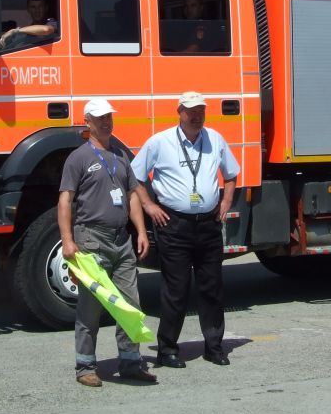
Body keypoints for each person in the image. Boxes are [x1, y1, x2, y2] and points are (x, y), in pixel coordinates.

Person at [131, 91, 239, 367]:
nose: (197, 115)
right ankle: (167, 349)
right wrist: (149, 206)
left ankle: (214, 347)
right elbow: (136, 176)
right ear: (179, 111)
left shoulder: (214, 139)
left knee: (212, 288)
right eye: (191, 110)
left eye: (201, 110)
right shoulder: (161, 142)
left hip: (208, 225)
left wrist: (226, 200)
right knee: (175, 290)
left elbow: (231, 174)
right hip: (174, 225)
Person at [58, 98, 156, 387]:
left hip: (121, 238)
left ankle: (129, 361)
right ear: (87, 121)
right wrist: (68, 241)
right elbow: (65, 200)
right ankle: (85, 366)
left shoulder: (121, 157)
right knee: (91, 306)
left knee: (129, 302)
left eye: (109, 117)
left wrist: (140, 230)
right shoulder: (78, 158)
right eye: (100, 118)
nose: (106, 122)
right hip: (92, 237)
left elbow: (133, 195)